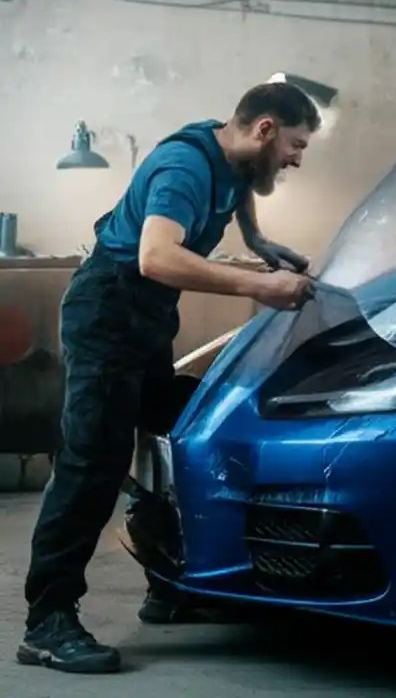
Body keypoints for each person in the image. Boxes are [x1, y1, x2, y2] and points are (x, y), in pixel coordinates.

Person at [18, 82, 321, 674]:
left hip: (147, 317)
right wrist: (260, 286)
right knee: (91, 465)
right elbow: (155, 257)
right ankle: (46, 623)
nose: (295, 159)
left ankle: (170, 588)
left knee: (180, 434)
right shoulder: (184, 166)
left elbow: (238, 195)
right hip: (109, 309)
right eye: (294, 145)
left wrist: (260, 243)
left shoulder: (232, 156)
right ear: (264, 129)